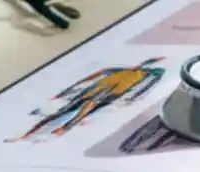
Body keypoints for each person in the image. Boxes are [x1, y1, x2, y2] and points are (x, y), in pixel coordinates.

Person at [10, 57, 167, 141]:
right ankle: (34, 131)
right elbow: (102, 72)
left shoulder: (145, 75)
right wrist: (79, 83)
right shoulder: (128, 71)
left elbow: (150, 80)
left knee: (85, 108)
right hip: (98, 89)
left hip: (108, 92)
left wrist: (134, 97)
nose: (140, 67)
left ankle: (62, 128)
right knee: (68, 109)